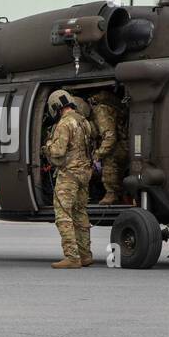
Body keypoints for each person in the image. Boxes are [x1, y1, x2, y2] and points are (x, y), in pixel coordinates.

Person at [44, 90, 94, 268]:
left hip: (69, 175)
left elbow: (58, 152)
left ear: (56, 106)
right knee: (80, 213)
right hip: (84, 174)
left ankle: (72, 257)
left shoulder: (65, 123)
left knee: (63, 215)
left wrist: (48, 145)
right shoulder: (84, 122)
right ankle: (85, 254)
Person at [89, 89, 129, 205]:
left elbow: (110, 138)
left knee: (109, 158)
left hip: (123, 145)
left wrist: (97, 154)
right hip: (123, 144)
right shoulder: (101, 109)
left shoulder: (100, 111)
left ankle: (112, 194)